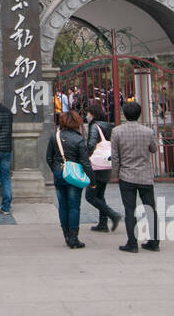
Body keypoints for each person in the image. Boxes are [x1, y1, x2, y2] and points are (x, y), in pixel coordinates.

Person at [111, 100, 159, 253]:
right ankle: (154, 241)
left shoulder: (117, 131)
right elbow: (153, 149)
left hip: (127, 176)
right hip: (145, 175)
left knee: (129, 210)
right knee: (150, 209)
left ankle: (132, 243)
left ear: (124, 114)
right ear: (140, 114)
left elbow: (115, 156)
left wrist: (115, 174)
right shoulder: (147, 131)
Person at [45, 110, 93, 248]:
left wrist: (56, 169)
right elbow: (85, 162)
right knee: (74, 206)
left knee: (63, 205)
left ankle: (66, 234)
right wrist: (92, 180)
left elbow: (49, 157)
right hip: (73, 174)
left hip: (59, 172)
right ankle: (73, 237)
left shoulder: (55, 137)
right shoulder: (78, 139)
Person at [84, 100, 122, 233]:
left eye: (88, 113)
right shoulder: (110, 126)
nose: (86, 116)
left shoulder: (95, 126)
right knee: (100, 194)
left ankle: (113, 215)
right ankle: (103, 223)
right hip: (107, 163)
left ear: (93, 114)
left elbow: (91, 144)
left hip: (96, 165)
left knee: (90, 196)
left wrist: (85, 157)